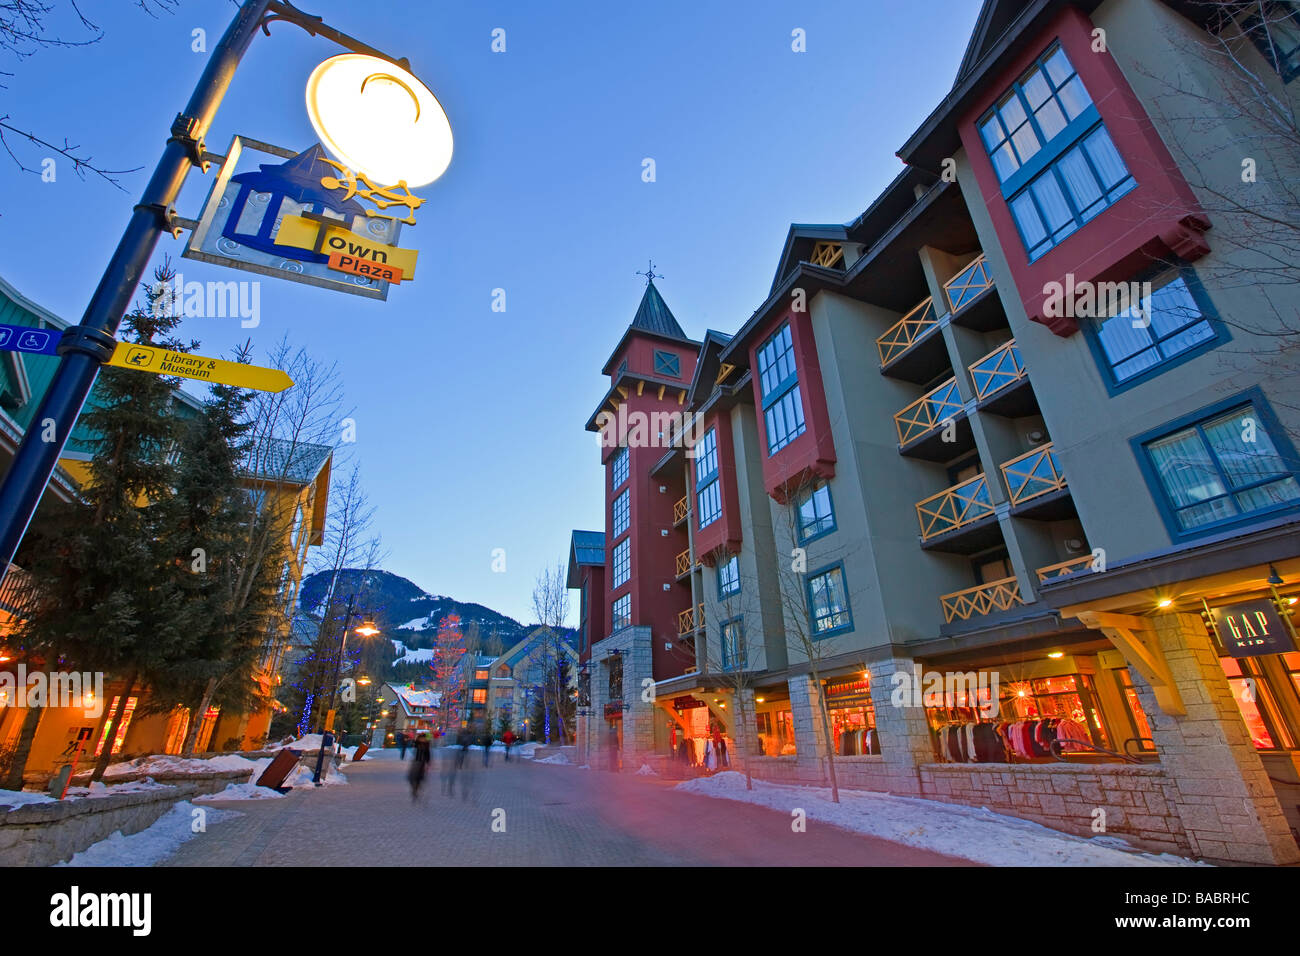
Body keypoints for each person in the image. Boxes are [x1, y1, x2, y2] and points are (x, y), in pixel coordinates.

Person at [408, 732, 431, 800]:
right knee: (412, 777)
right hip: (415, 761)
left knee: (419, 777)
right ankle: (414, 789)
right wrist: (415, 738)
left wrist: (428, 762)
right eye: (421, 738)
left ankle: (416, 790)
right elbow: (413, 744)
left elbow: (428, 753)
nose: (422, 739)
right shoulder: (417, 743)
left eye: (423, 738)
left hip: (422, 762)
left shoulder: (426, 744)